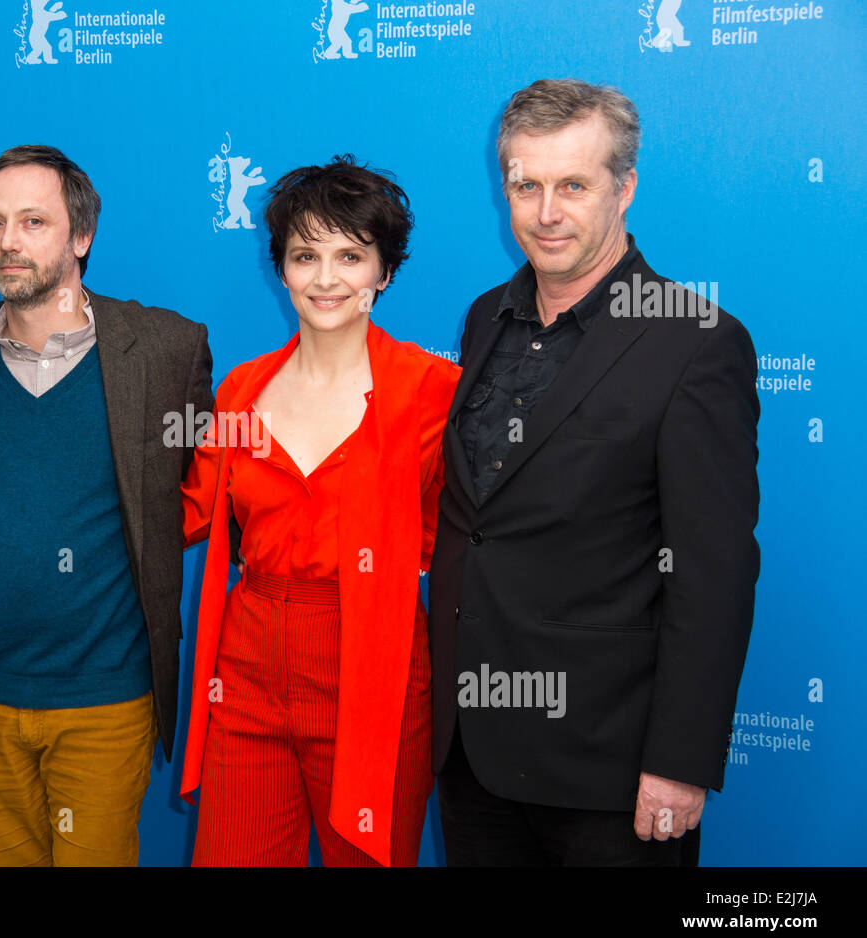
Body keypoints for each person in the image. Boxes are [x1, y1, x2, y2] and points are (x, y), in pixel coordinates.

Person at [429, 79, 760, 866]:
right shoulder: (484, 318)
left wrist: (679, 763)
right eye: (527, 186)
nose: (546, 213)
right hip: (473, 753)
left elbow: (713, 577)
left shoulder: (697, 342)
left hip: (610, 772)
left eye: (573, 185)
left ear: (626, 189)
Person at [0, 145, 213, 866]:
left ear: (81, 236)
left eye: (32, 222)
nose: (8, 242)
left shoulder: (167, 348)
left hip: (105, 694)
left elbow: (199, 497)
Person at [180, 156, 461, 866]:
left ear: (384, 272)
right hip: (245, 673)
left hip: (373, 674)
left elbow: (468, 535)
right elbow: (186, 513)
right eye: (306, 255)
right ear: (281, 269)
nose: (327, 278)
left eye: (351, 256)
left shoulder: (435, 391)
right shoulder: (242, 390)